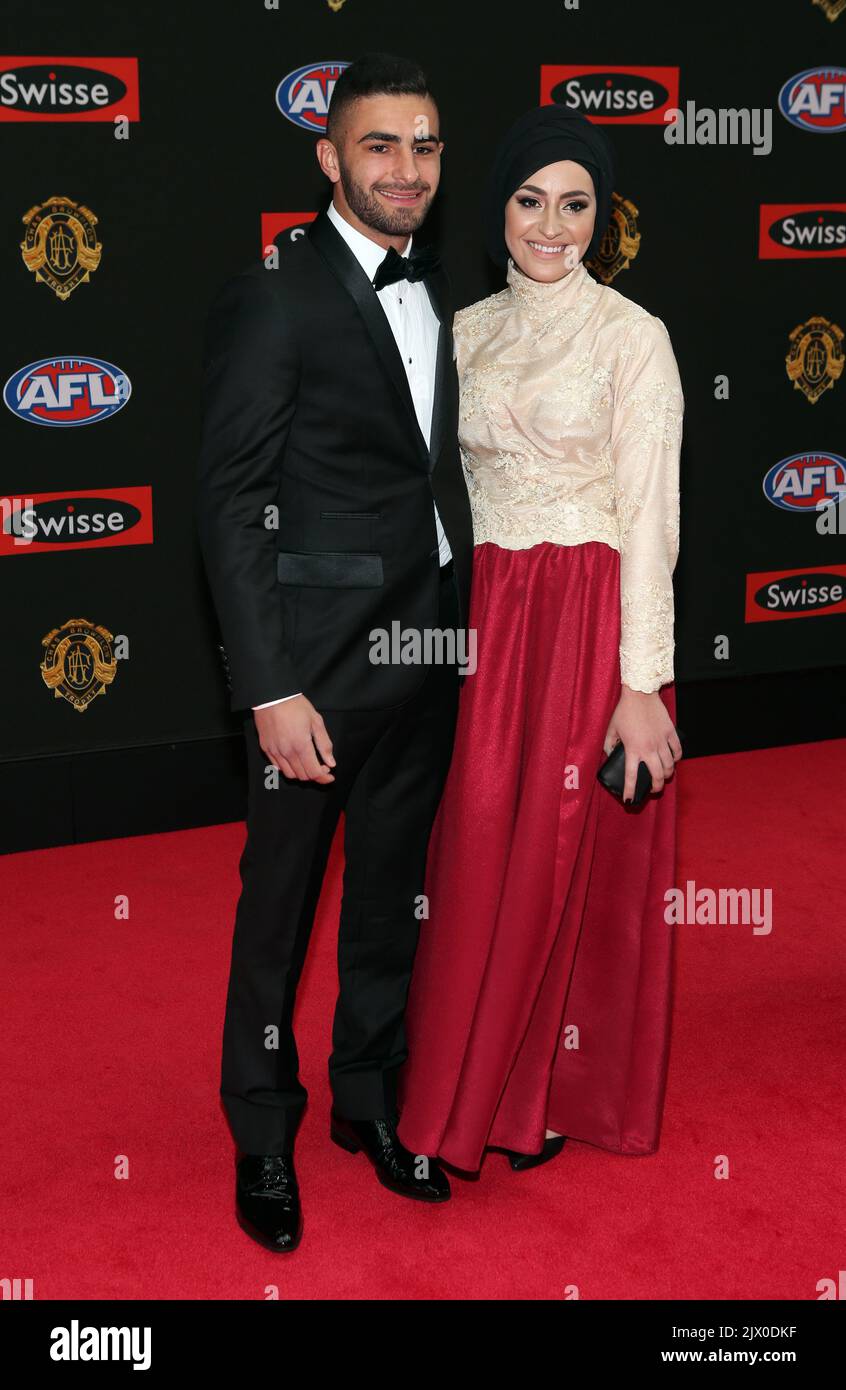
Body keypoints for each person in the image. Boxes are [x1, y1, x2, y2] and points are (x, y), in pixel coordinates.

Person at [196, 52, 473, 1252]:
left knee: (392, 895)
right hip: (314, 669)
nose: (406, 168)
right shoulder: (277, 293)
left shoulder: (445, 286)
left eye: (424, 144)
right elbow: (230, 501)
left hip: (431, 645)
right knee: (280, 907)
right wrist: (269, 686)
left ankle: (370, 1097)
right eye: (379, 144)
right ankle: (262, 1131)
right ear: (328, 157)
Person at [397, 106, 684, 1174]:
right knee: (475, 847)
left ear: (602, 218)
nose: (552, 227)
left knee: (559, 858)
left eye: (576, 205)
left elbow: (651, 517)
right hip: (485, 619)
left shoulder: (632, 335)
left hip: (583, 619)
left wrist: (642, 684)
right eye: (531, 201)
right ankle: (461, 1083)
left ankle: (535, 1093)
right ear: (499, 209)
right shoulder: (464, 330)